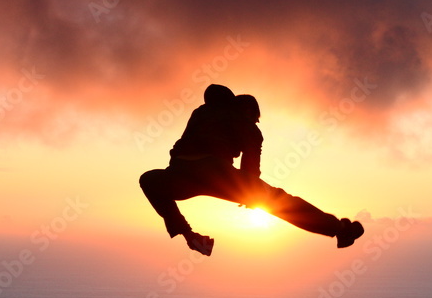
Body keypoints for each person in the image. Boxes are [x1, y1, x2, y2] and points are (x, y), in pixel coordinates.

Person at [139, 84, 364, 256]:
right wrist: (250, 188)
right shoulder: (243, 120)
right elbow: (250, 155)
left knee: (148, 179)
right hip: (216, 172)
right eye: (255, 117)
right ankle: (340, 229)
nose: (256, 122)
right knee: (280, 202)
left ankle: (190, 236)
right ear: (248, 110)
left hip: (181, 172)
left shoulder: (200, 113)